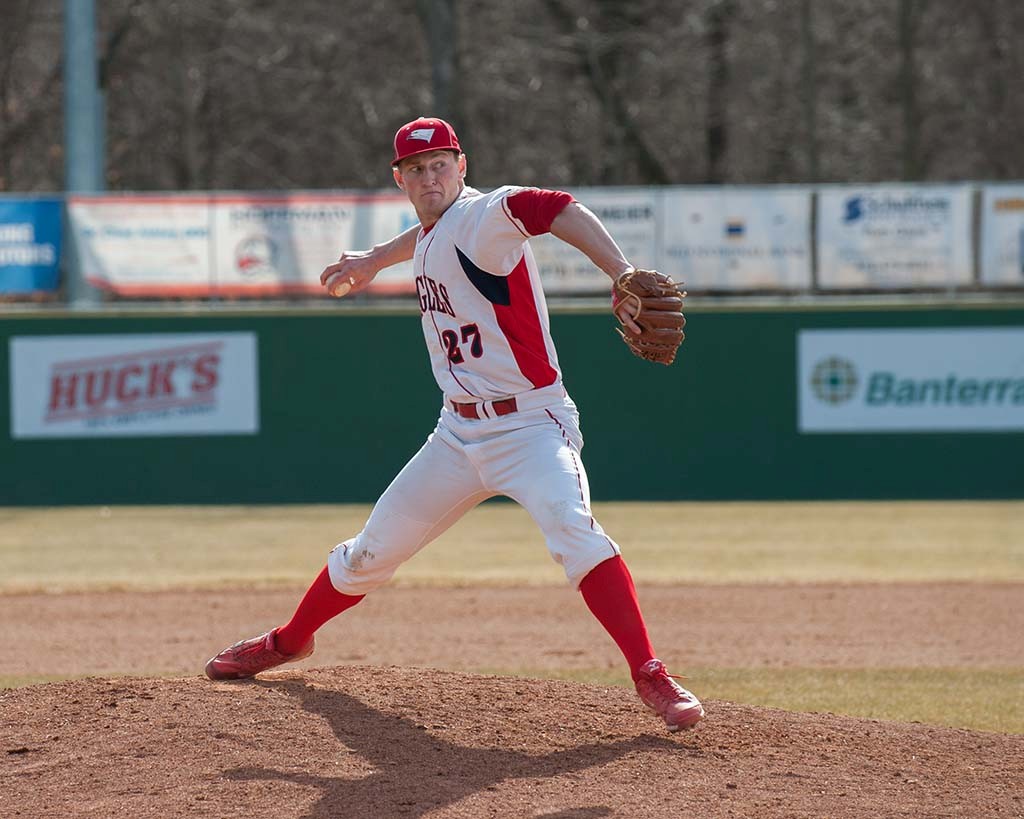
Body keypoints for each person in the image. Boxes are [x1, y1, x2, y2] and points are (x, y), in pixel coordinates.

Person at [204, 116, 703, 733]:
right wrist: (372, 260)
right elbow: (425, 239)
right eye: (415, 168)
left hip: (531, 427)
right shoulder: (439, 230)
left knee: (573, 531)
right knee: (369, 553)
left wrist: (620, 272)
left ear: (461, 166)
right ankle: (288, 641)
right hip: (456, 435)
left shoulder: (488, 213)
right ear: (400, 179)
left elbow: (558, 208)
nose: (429, 176)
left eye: (440, 163)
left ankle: (649, 673)